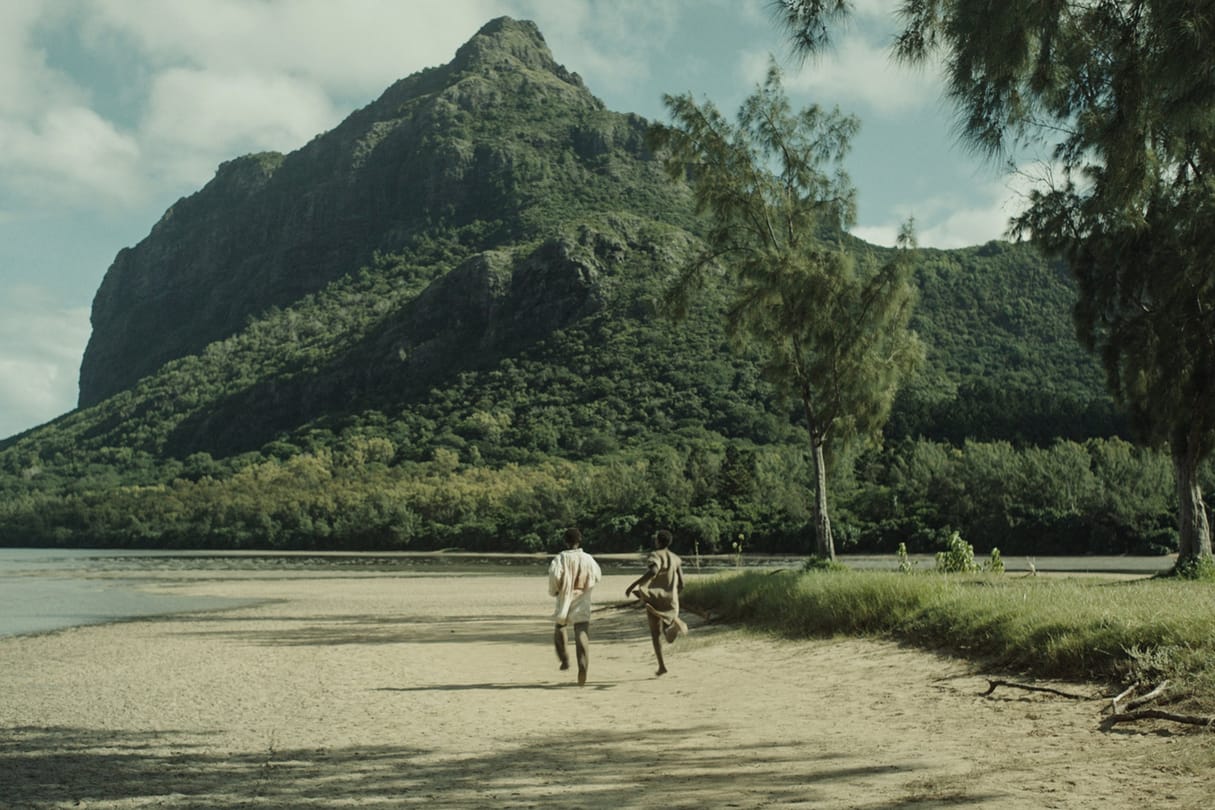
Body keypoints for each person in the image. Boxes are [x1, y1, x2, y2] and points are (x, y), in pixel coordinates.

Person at [625, 529, 688, 676]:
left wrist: (633, 585)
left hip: (654, 597)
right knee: (668, 634)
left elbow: (653, 571)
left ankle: (661, 666)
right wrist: (674, 595)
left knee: (655, 633)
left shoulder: (655, 555)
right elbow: (682, 583)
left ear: (658, 541)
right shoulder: (676, 558)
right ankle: (674, 626)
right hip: (671, 599)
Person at [548, 527, 602, 686]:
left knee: (560, 626)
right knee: (581, 631)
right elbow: (597, 575)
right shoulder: (588, 558)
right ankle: (583, 665)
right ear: (579, 541)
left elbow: (555, 576)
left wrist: (555, 591)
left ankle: (564, 658)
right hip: (583, 597)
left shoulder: (561, 558)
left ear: (565, 541)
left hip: (565, 597)